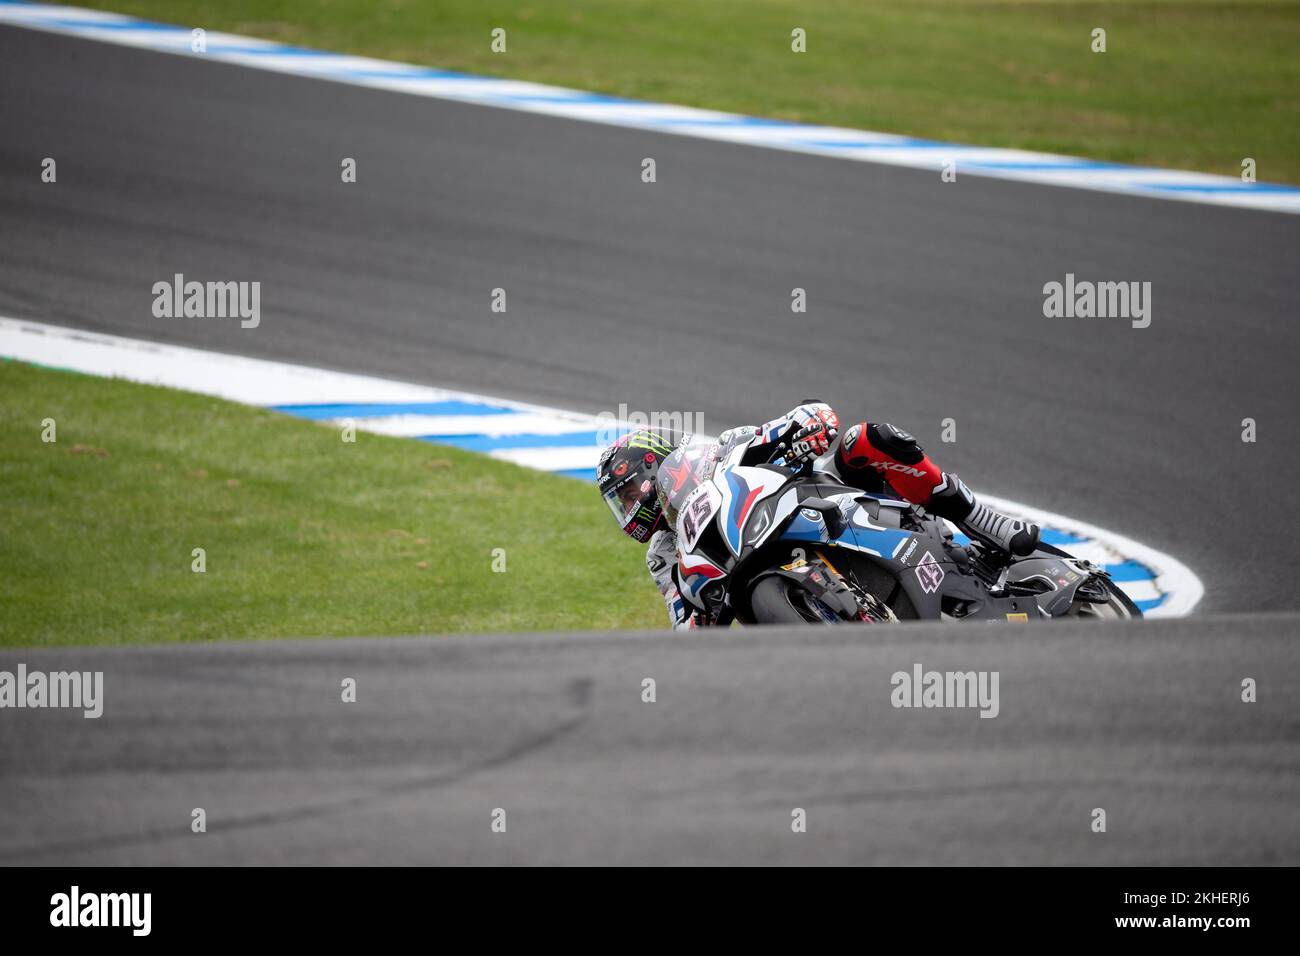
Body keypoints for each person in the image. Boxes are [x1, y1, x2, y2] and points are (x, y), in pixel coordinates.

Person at [596, 401, 1039, 629]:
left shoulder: (723, 450)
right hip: (752, 570)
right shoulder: (662, 555)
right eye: (622, 503)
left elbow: (807, 418)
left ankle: (985, 521)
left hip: (825, 506)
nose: (631, 507)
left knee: (867, 440)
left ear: (656, 467)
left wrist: (805, 431)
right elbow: (683, 620)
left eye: (631, 491)